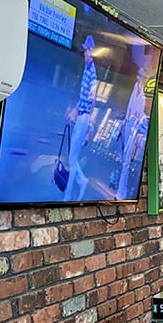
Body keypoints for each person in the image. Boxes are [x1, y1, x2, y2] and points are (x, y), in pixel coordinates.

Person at [64, 34, 97, 201]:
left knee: (73, 157)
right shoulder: (87, 70)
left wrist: (89, 124)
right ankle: (80, 182)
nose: (84, 53)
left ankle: (69, 194)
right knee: (72, 156)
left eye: (86, 50)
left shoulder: (92, 72)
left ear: (91, 51)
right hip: (81, 117)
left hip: (84, 119)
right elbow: (83, 98)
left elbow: (92, 98)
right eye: (84, 50)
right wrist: (74, 111)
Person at [116, 64, 149, 200]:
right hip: (129, 126)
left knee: (126, 162)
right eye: (138, 76)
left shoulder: (143, 95)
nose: (138, 78)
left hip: (135, 129)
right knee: (123, 158)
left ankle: (121, 192)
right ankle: (120, 190)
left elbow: (140, 115)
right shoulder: (136, 88)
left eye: (140, 76)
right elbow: (130, 108)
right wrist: (125, 124)